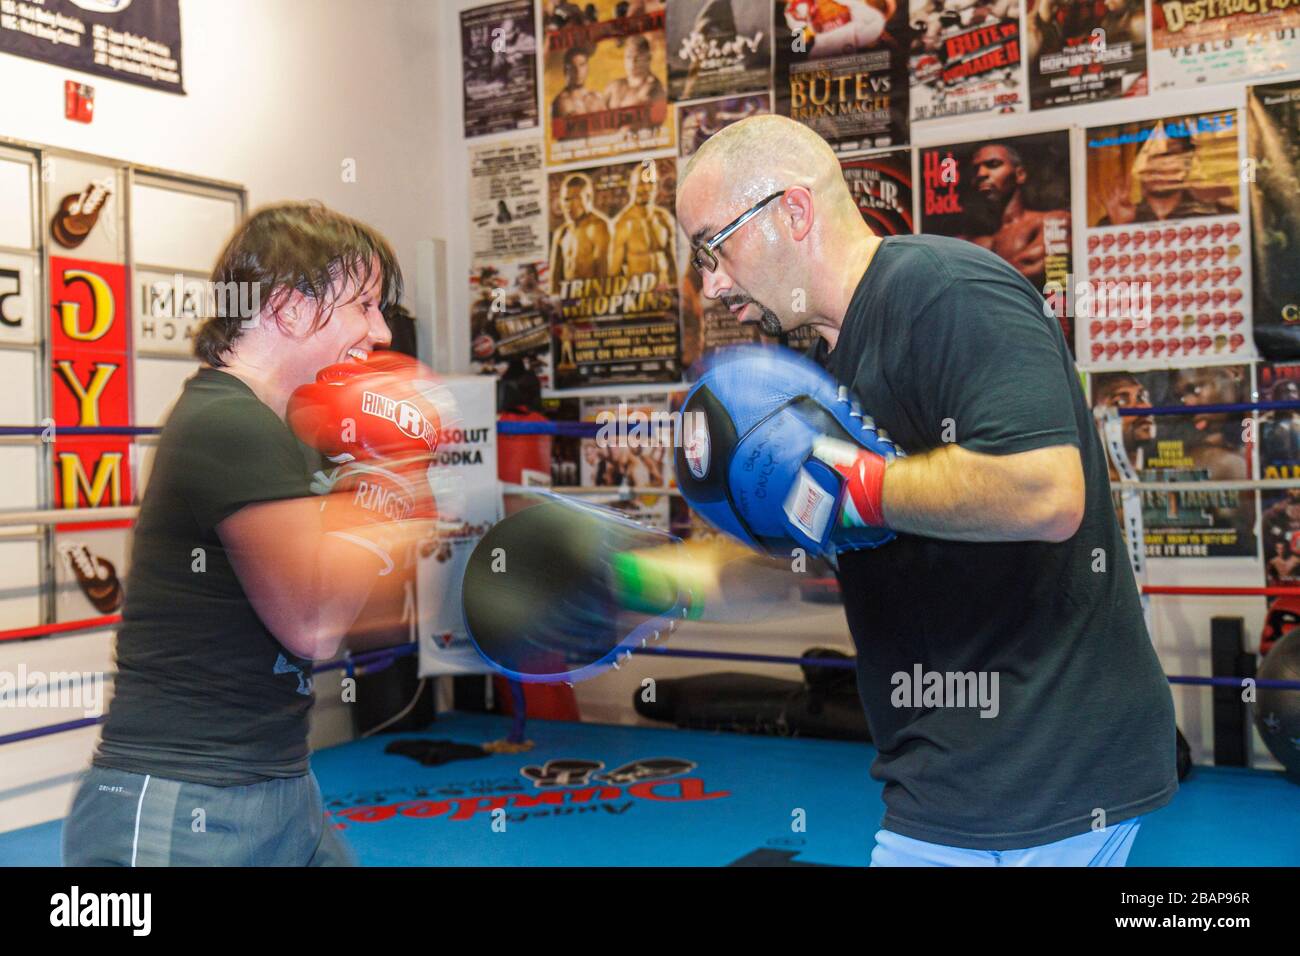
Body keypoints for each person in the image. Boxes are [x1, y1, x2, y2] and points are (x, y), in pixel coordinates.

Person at [675, 114, 1176, 866]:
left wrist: (860, 490)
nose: (712, 283)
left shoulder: (947, 293)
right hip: (940, 771)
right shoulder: (823, 372)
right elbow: (855, 555)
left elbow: (1047, 493)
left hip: (1049, 770)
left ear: (794, 210)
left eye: (716, 247)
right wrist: (644, 579)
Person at [62, 201, 442, 866]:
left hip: (279, 786)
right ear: (292, 308)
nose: (381, 331)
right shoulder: (229, 424)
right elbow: (316, 623)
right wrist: (389, 478)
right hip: (181, 801)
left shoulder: (287, 430)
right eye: (364, 305)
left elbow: (359, 595)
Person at [958, 143, 1070, 292]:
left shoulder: (1053, 220)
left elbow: (1032, 266)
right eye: (975, 169)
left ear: (1020, 174)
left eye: (993, 164)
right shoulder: (965, 240)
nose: (981, 173)